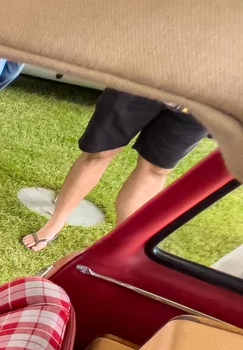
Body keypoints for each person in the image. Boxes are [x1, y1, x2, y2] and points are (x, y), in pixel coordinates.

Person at [23, 89, 208, 251]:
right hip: (146, 76)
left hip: (205, 99)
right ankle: (57, 221)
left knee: (155, 170)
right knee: (99, 153)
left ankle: (118, 243)